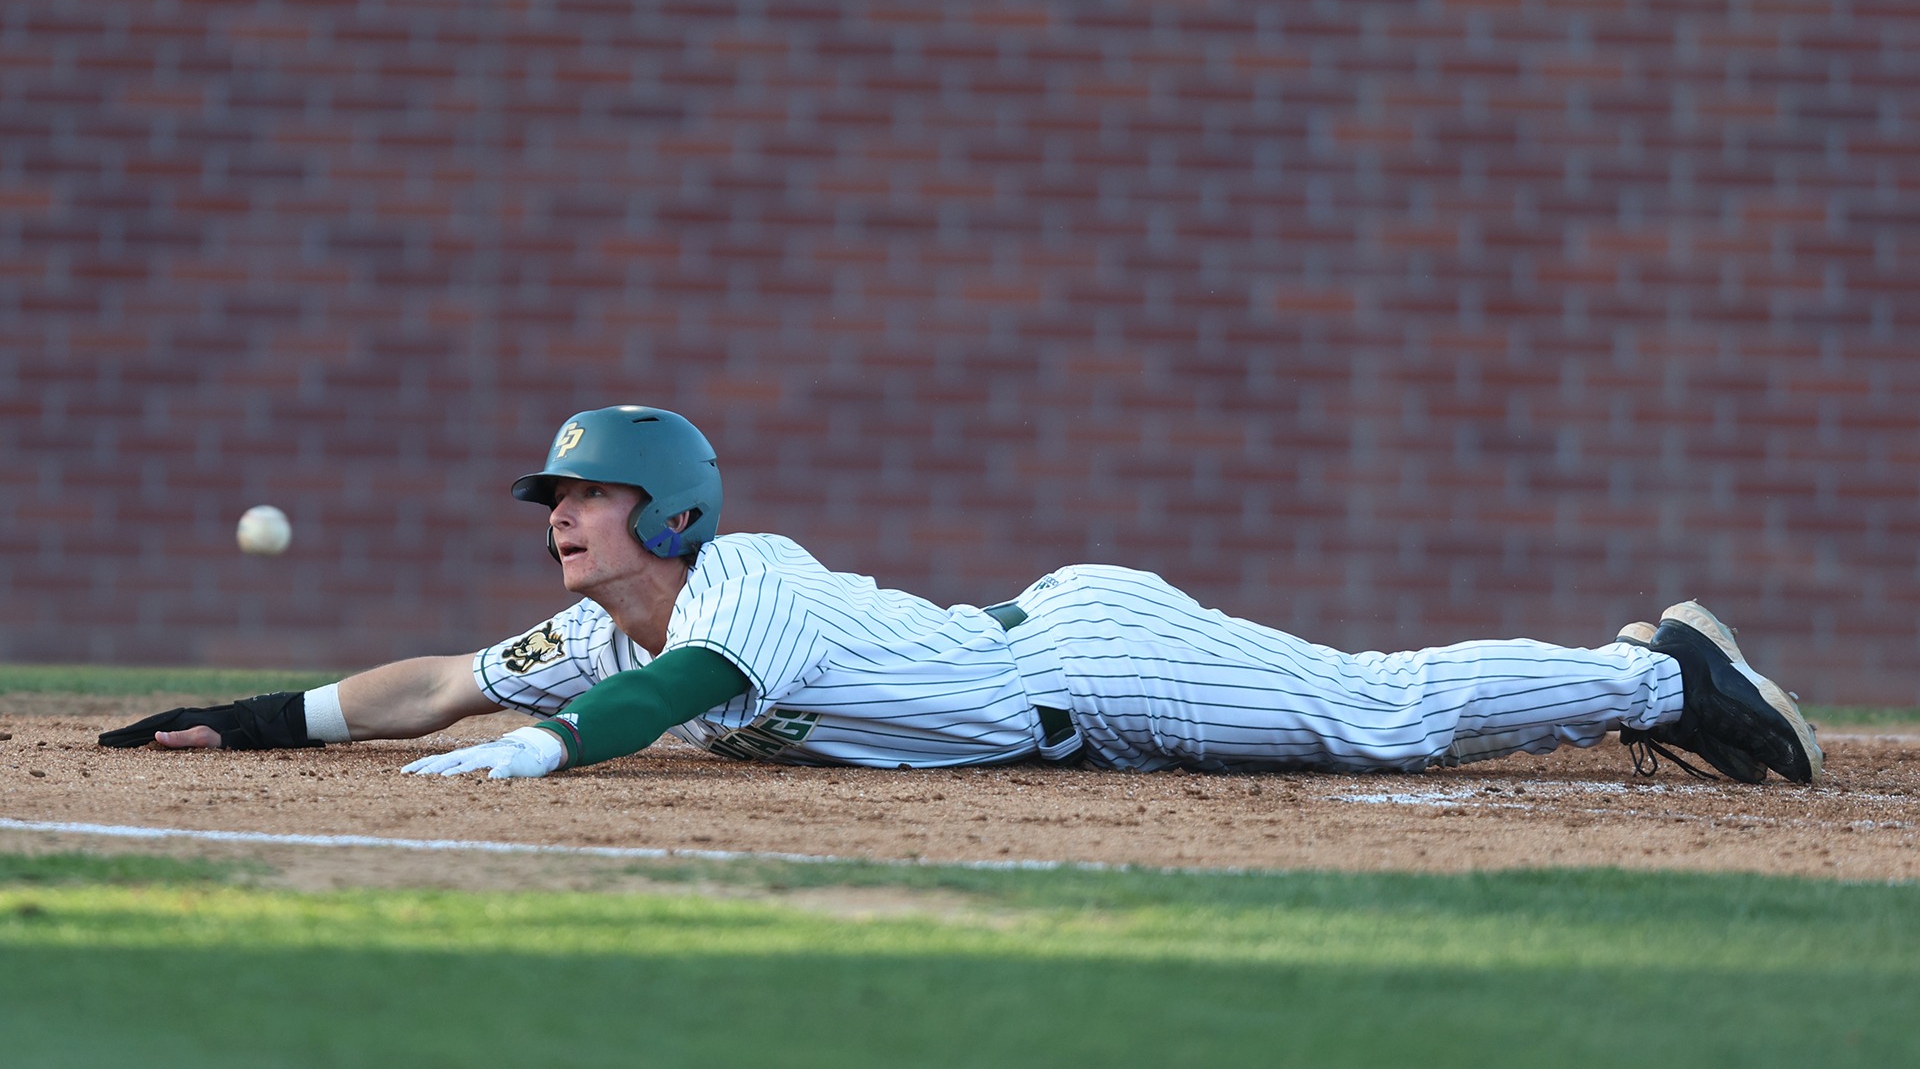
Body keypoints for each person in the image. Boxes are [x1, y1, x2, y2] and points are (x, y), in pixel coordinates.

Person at [100, 405, 1824, 787]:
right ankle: (1634, 670)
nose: (560, 515)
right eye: (554, 495)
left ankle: (1658, 672)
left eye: (588, 494)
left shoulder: (739, 584)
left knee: (1378, 718)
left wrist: (559, 758)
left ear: (673, 511)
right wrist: (250, 721)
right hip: (1049, 693)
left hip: (1097, 656)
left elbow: (685, 698)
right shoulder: (601, 628)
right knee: (1374, 729)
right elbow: (435, 685)